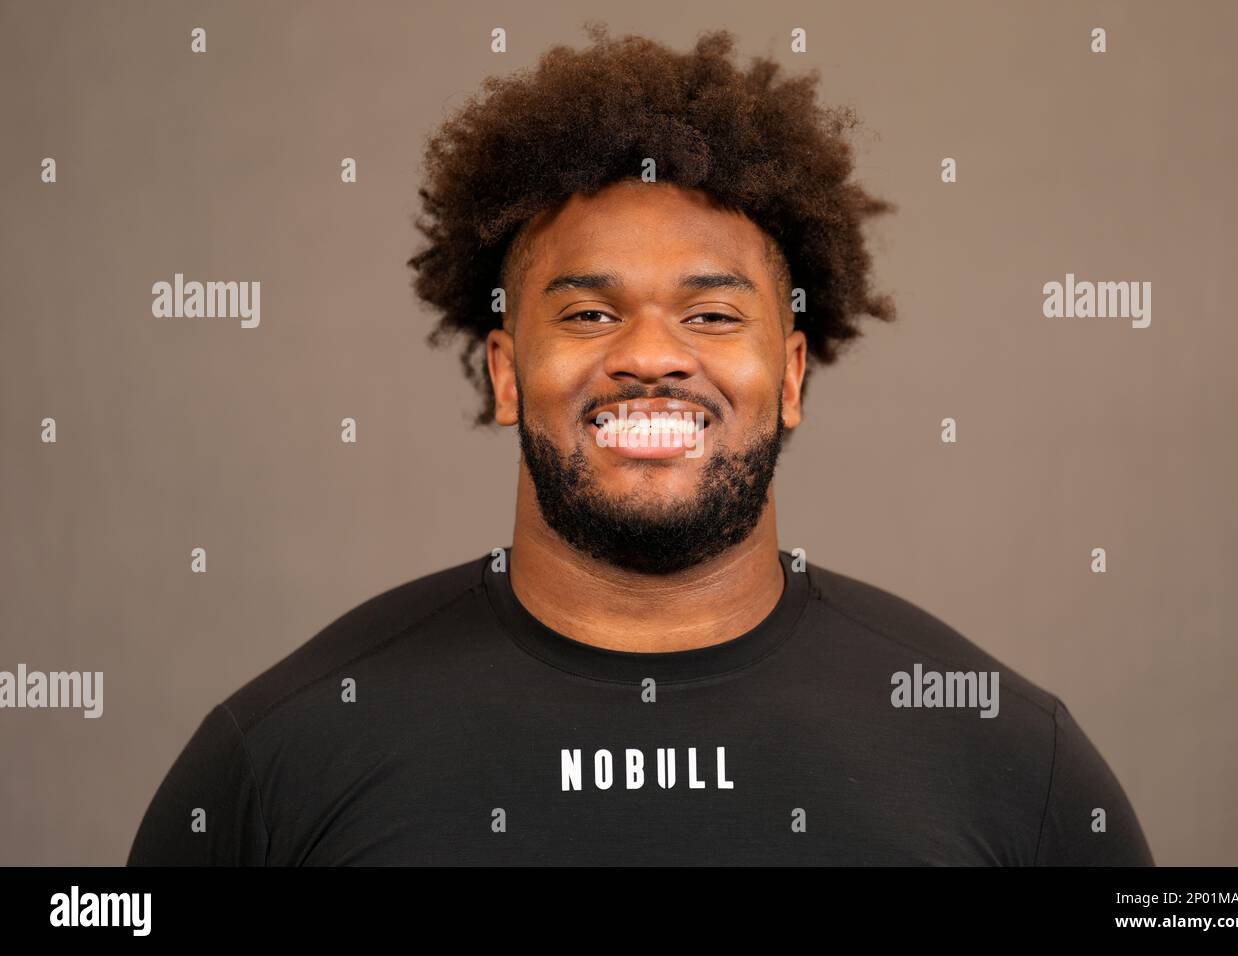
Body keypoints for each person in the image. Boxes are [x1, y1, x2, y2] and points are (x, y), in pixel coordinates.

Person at [127, 24, 1153, 866]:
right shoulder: (281, 756)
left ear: (790, 373)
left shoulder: (1005, 755)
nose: (651, 356)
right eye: (585, 316)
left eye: (711, 316)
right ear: (502, 370)